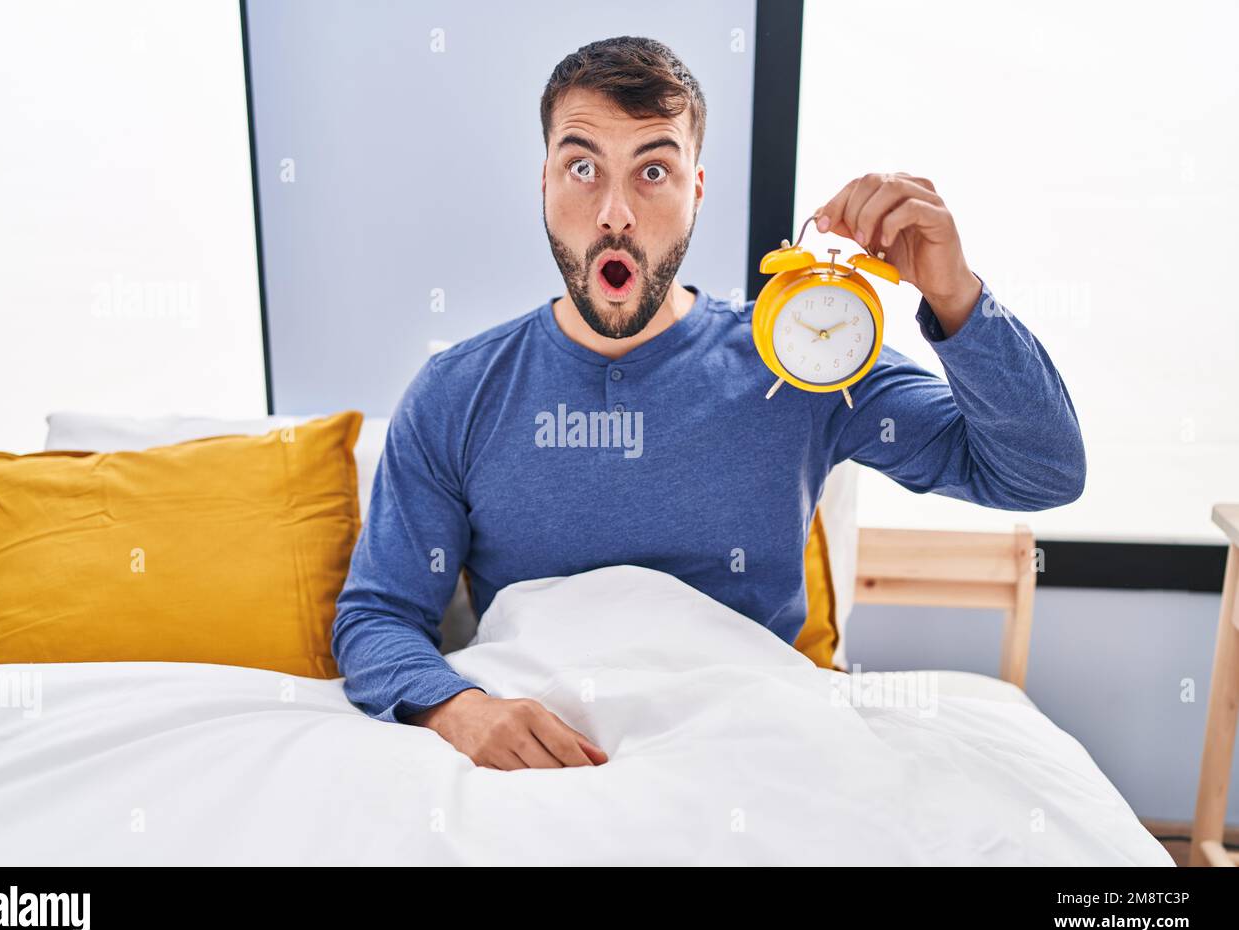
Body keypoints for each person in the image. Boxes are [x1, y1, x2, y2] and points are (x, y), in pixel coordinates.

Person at [332, 36, 1086, 770]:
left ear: (697, 190)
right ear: (545, 183)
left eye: (653, 170)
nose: (615, 214)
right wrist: (461, 709)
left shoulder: (801, 360)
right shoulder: (458, 392)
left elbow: (1039, 471)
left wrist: (955, 295)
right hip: (545, 770)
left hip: (752, 754)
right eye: (583, 166)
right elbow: (378, 617)